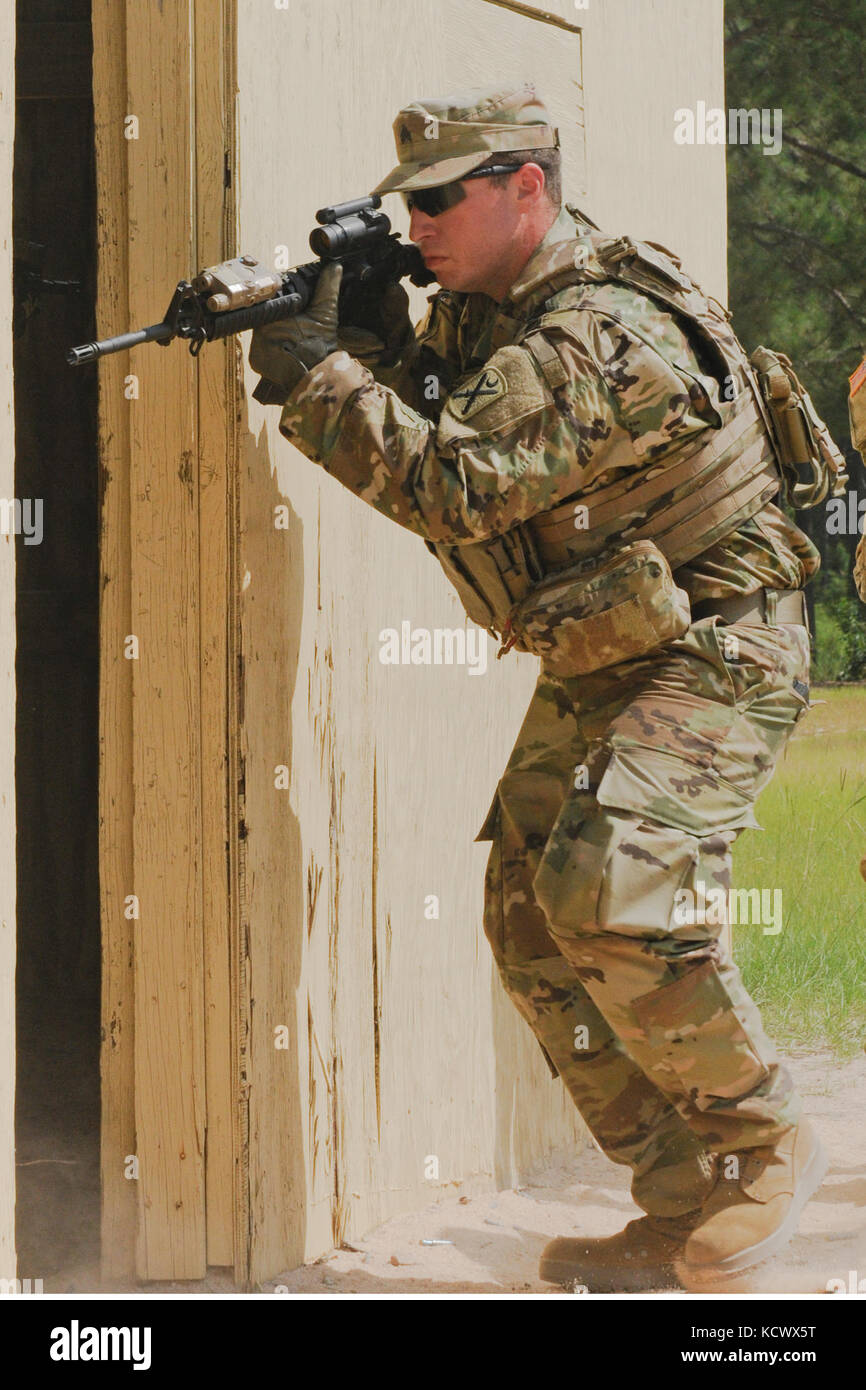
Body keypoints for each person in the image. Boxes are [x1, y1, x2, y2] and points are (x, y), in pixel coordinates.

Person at [248, 83, 833, 1292]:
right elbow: (440, 413)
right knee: (527, 912)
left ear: (527, 187)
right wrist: (374, 348)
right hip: (614, 641)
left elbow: (455, 486)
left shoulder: (592, 330)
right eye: (409, 202)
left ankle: (758, 1142)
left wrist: (321, 378)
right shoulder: (492, 310)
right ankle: (685, 1203)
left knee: (612, 886)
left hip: (718, 643)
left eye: (443, 197)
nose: (419, 224)